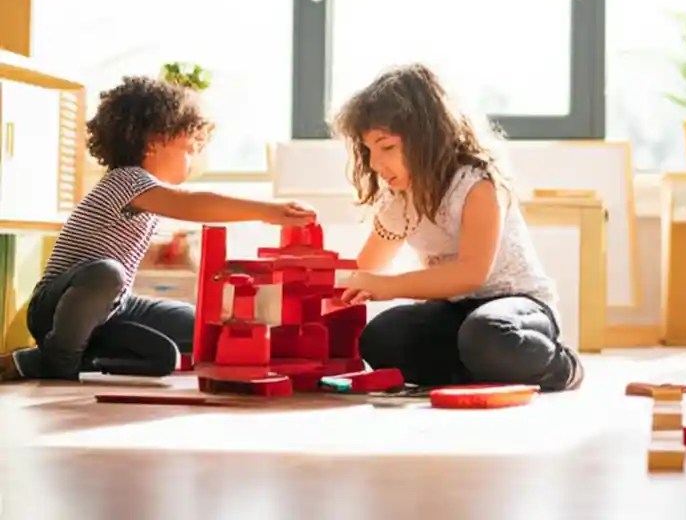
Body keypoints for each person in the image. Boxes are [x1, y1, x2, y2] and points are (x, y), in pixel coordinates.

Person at [0, 76, 316, 383]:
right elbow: (192, 205)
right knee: (107, 274)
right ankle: (53, 358)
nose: (194, 160)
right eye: (190, 148)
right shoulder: (127, 179)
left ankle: (85, 356)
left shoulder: (145, 193)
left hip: (110, 310)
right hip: (56, 308)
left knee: (199, 329)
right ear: (154, 142)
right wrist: (266, 211)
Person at [331, 64, 583, 392]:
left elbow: (471, 275)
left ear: (426, 138)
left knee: (487, 334)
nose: (377, 163)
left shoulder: (477, 186)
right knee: (380, 338)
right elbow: (364, 269)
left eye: (387, 147)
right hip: (457, 312)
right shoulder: (399, 201)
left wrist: (387, 286)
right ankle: (482, 370)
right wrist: (316, 281)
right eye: (369, 150)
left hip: (514, 306)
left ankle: (562, 367)